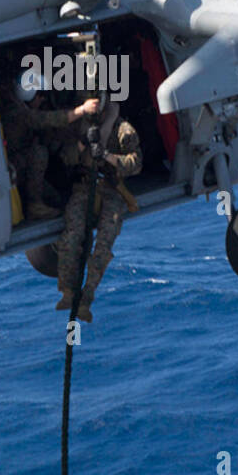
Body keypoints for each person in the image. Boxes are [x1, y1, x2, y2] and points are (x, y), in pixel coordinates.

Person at [54, 101, 142, 322]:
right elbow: (65, 158)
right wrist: (83, 145)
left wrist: (107, 156)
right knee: (71, 236)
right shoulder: (81, 127)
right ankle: (68, 291)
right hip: (85, 185)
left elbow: (135, 163)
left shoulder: (123, 131)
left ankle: (87, 298)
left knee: (104, 242)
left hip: (112, 189)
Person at [0, 59, 98, 220]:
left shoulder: (16, 104)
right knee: (39, 152)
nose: (43, 100)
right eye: (40, 95)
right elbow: (50, 119)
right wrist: (82, 110)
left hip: (20, 163)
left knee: (56, 199)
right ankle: (34, 205)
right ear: (30, 95)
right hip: (14, 165)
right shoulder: (21, 114)